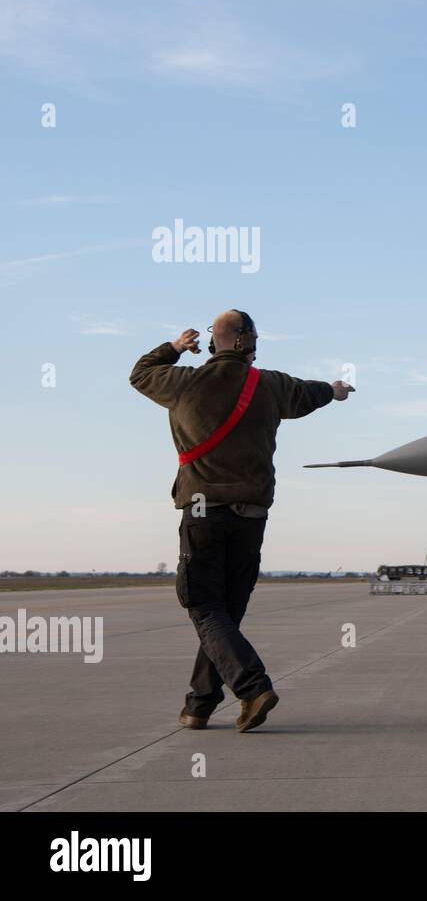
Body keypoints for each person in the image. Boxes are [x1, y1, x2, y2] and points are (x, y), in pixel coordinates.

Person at [129, 310, 354, 732]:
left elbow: (141, 374)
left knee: (202, 603)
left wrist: (176, 348)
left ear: (215, 343)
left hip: (201, 509)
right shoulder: (269, 384)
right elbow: (312, 393)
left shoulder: (184, 382)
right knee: (225, 612)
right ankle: (200, 704)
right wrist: (336, 390)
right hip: (252, 512)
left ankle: (252, 688)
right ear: (250, 343)